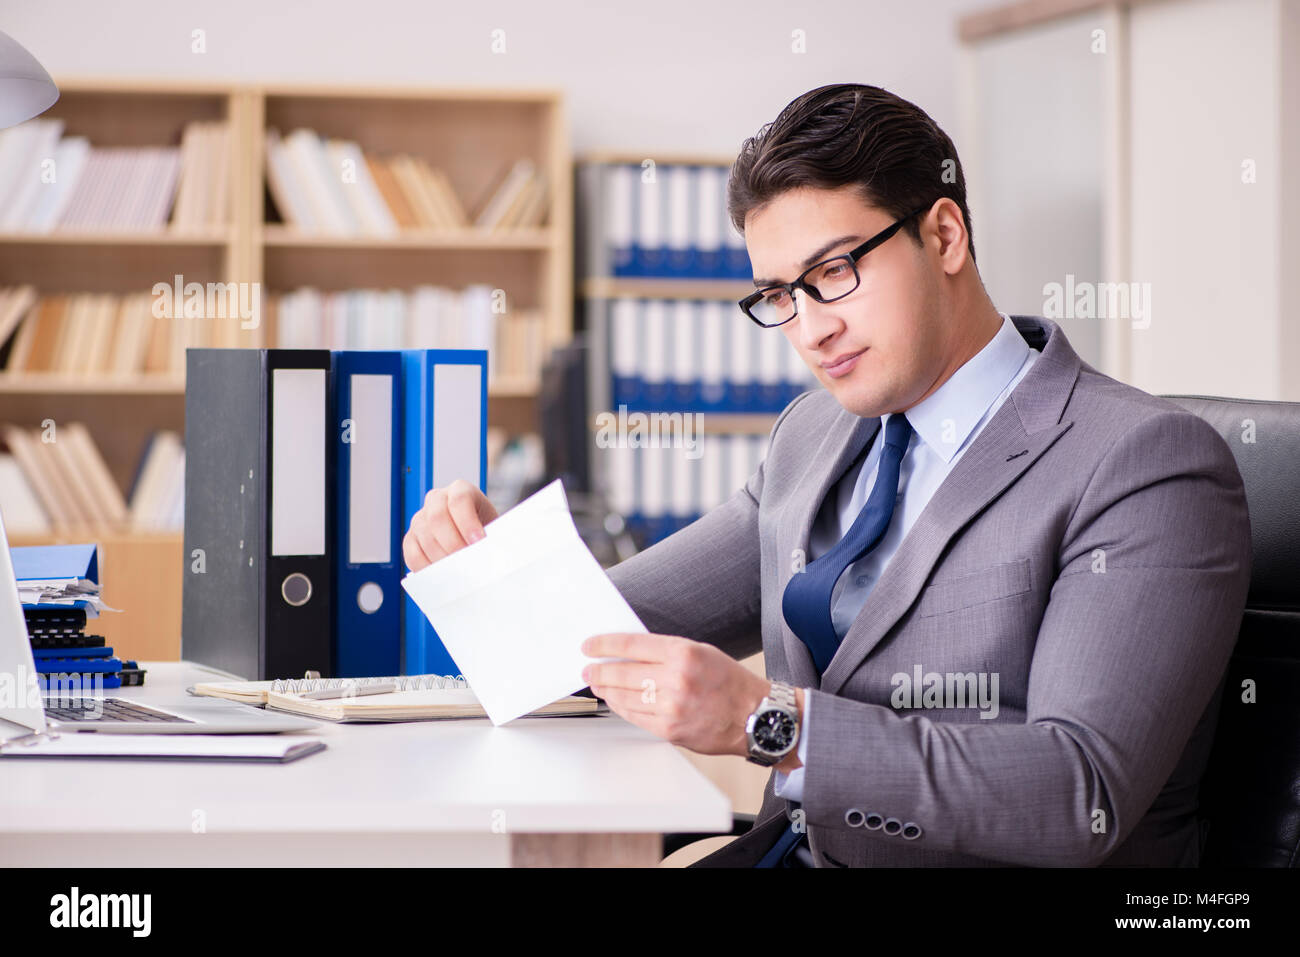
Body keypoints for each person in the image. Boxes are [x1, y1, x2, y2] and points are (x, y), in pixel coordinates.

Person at [402, 83, 1251, 867]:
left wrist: (770, 723)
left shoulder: (1143, 462)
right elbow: (608, 635)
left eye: (834, 272)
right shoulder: (814, 433)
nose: (810, 328)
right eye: (779, 294)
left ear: (944, 235)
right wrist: (493, 569)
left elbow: (1079, 792)